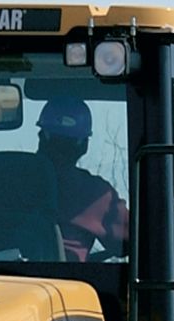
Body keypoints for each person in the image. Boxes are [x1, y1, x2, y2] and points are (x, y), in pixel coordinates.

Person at [36, 94, 128, 262]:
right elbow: (134, 240)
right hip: (63, 284)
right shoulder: (93, 193)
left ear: (42, 135)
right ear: (83, 145)